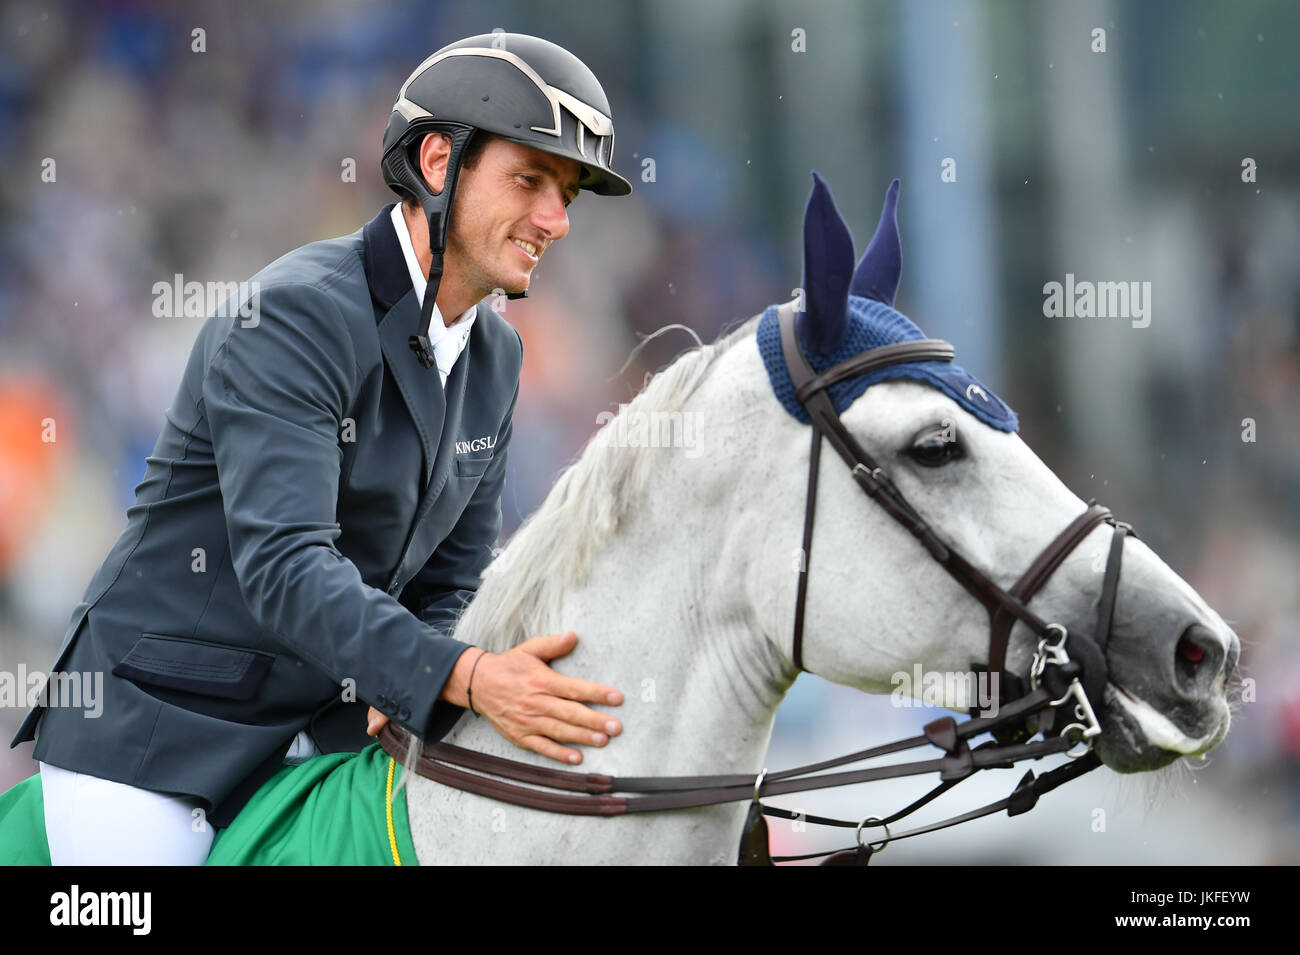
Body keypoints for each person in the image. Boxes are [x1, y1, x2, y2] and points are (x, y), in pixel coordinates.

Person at [6, 32, 634, 865]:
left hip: (323, 736)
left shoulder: (497, 355)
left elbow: (450, 582)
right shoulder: (296, 315)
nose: (556, 221)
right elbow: (286, 566)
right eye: (530, 181)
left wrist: (430, 678)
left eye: (566, 195)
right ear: (440, 161)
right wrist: (465, 675)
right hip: (162, 741)